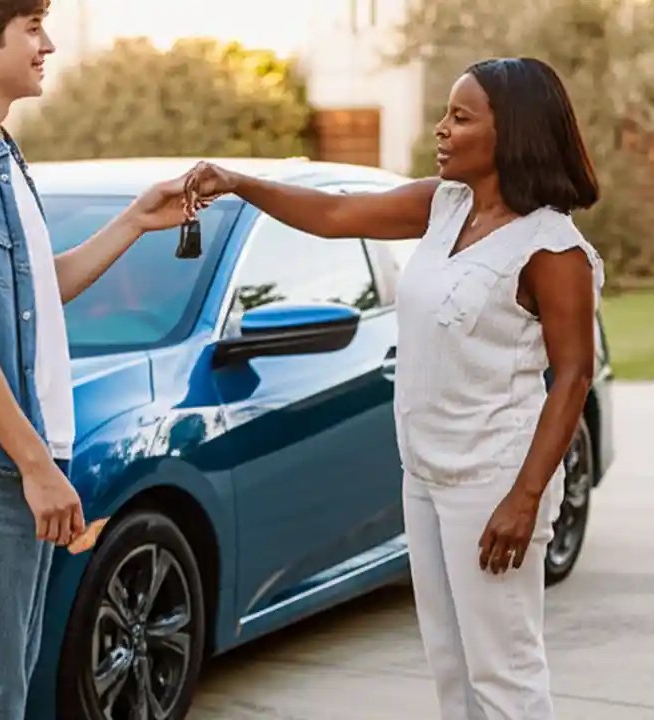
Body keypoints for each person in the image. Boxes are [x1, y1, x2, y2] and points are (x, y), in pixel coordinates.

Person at [181, 57, 603, 720]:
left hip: (494, 478)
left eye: (460, 117)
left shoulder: (551, 249)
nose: (441, 129)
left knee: (504, 671)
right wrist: (237, 181)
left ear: (510, 134)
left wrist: (523, 500)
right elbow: (334, 213)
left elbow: (573, 375)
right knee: (450, 661)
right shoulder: (445, 205)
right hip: (425, 471)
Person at [0, 1, 193, 718]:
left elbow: (35, 293)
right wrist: (34, 465)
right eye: (30, 28)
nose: (47, 43)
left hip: (15, 468)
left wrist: (136, 220)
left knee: (3, 691)